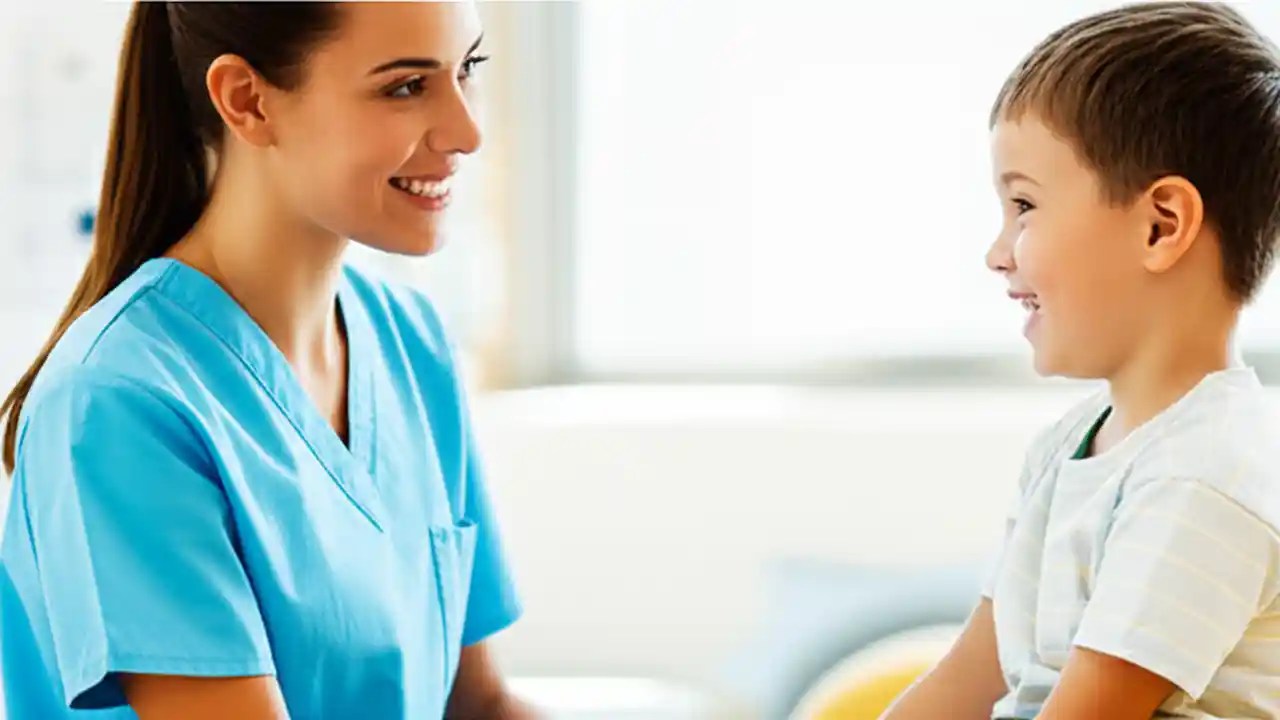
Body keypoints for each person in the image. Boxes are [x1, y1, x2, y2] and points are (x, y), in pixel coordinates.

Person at [0, 3, 537, 718]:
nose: (467, 131)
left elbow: (481, 706)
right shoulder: (118, 403)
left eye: (467, 69)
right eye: (406, 86)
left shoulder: (412, 342)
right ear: (247, 101)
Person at [882, 3, 1280, 719]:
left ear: (1161, 226)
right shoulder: (1066, 449)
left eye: (1024, 206)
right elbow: (973, 674)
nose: (997, 253)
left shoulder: (1206, 478)